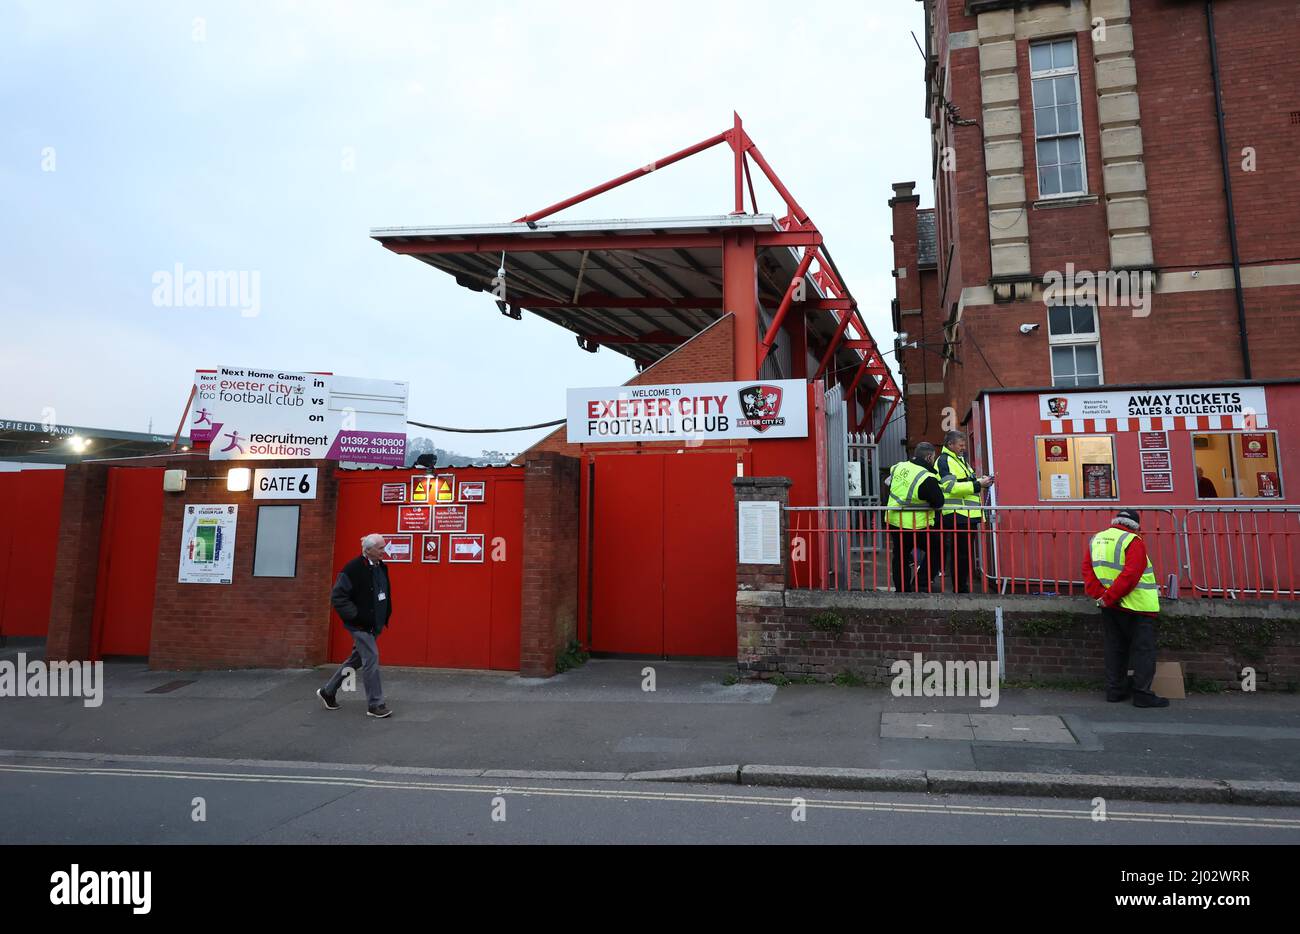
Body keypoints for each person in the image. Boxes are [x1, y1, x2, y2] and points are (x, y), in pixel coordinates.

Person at [1082, 509, 1167, 708]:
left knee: (1115, 648)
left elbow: (1087, 569)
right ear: (1136, 526)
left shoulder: (1097, 539)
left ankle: (1114, 690)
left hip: (1109, 606)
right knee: (1142, 650)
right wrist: (1111, 597)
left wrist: (1103, 596)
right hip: (1138, 606)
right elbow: (1131, 575)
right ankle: (1142, 694)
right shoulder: (1133, 541)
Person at [318, 533, 394, 718]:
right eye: (381, 548)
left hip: (373, 624)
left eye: (384, 547)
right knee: (371, 658)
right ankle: (375, 704)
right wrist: (356, 617)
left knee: (356, 660)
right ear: (368, 550)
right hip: (360, 625)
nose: (385, 551)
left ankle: (328, 691)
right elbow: (338, 597)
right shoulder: (352, 569)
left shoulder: (380, 567)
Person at [935, 430, 994, 592]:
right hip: (957, 514)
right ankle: (960, 590)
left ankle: (962, 588)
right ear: (950, 445)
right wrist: (978, 484)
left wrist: (983, 481)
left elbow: (966, 482)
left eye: (964, 445)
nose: (963, 448)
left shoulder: (959, 460)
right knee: (960, 555)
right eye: (960, 445)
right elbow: (949, 487)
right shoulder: (944, 461)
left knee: (965, 555)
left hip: (967, 514)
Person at [883, 442, 944, 593]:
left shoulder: (899, 467)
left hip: (894, 521)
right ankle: (921, 583)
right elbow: (938, 502)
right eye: (933, 458)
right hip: (916, 525)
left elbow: (889, 484)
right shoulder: (926, 477)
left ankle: (902, 590)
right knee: (938, 548)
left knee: (900, 556)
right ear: (929, 457)